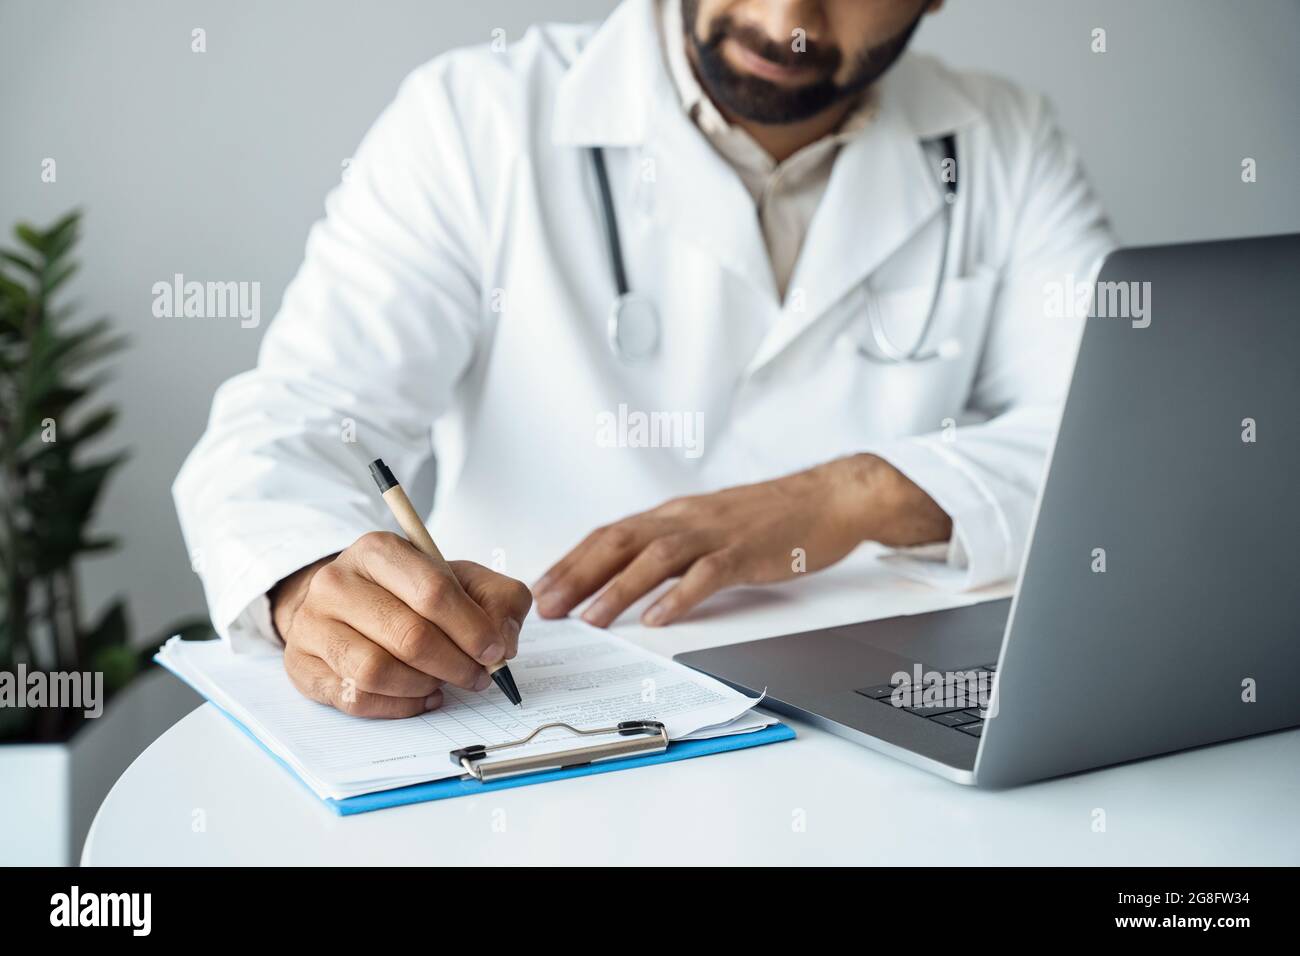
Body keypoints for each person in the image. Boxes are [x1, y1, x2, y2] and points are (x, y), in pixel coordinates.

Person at [174, 0, 1114, 717]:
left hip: (879, 718)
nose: (788, 20)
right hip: (542, 712)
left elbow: (1123, 437)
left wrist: (856, 492)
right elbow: (292, 419)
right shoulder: (479, 115)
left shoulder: (1003, 141)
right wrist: (306, 582)